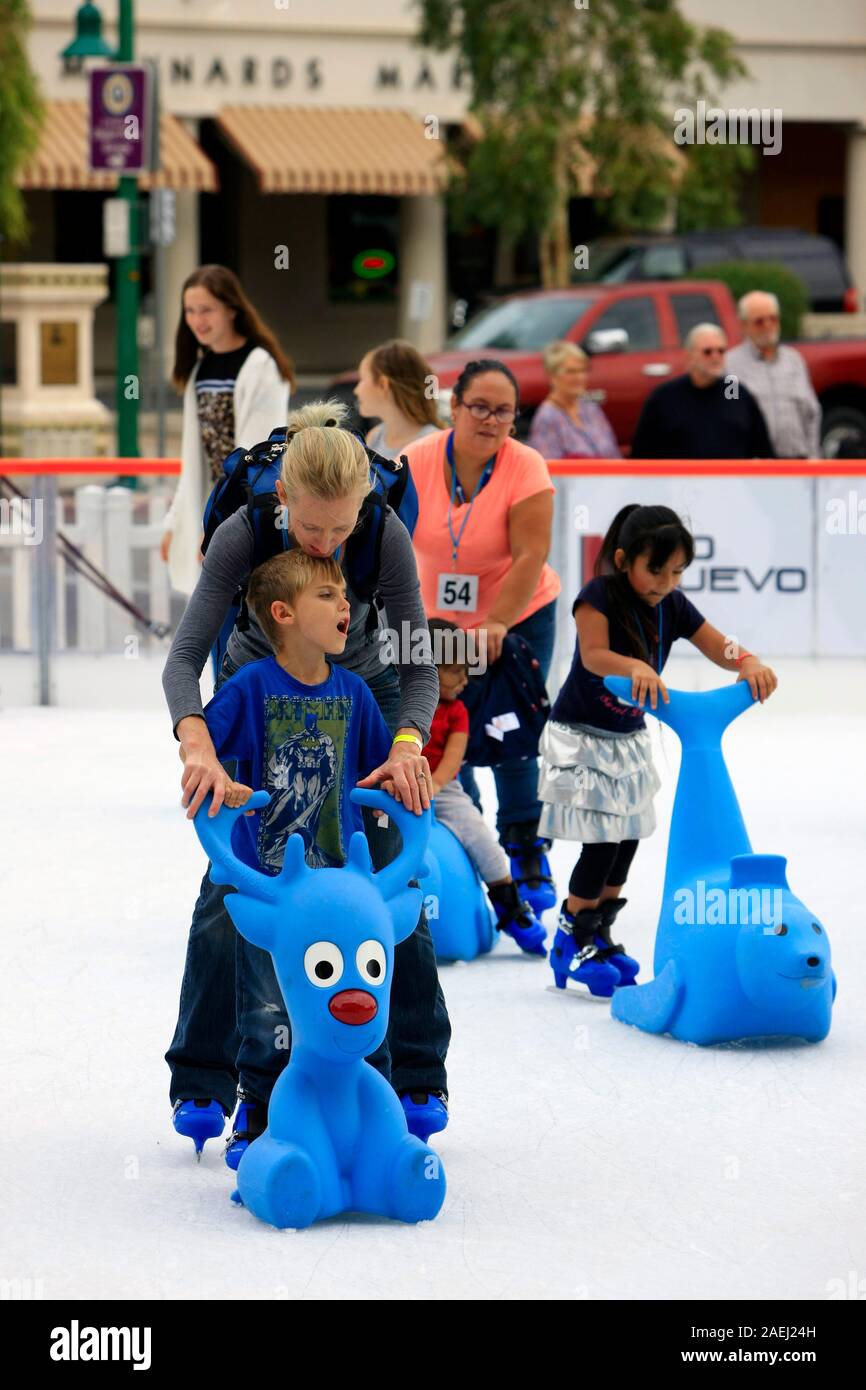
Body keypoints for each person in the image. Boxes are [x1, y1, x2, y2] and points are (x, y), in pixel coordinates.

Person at [162, 401, 450, 1160]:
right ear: (283, 496)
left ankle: (414, 1070)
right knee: (235, 891)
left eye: (341, 529)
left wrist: (409, 743)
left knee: (390, 886)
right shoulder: (244, 532)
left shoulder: (384, 533)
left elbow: (420, 662)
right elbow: (183, 657)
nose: (327, 546)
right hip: (260, 689)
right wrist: (198, 741)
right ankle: (206, 1076)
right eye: (311, 527)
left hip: (361, 697)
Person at [537, 503, 778, 992]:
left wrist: (747, 660)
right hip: (583, 737)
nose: (666, 581)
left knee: (626, 841)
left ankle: (597, 931)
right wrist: (637, 667)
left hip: (626, 737)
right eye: (656, 569)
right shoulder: (597, 596)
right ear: (624, 560)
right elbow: (594, 655)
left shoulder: (672, 604)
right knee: (602, 842)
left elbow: (717, 644)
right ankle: (571, 934)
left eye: (677, 571)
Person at [403, 359, 562, 911]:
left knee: (511, 733)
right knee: (445, 735)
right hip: (437, 625)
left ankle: (525, 849)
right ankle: (467, 852)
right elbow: (388, 542)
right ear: (454, 407)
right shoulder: (415, 462)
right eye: (479, 407)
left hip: (517, 615)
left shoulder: (527, 467)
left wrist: (497, 621)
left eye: (504, 411)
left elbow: (530, 554)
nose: (491, 420)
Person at [161, 264, 294, 673]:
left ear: (232, 309)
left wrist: (220, 526)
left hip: (249, 515)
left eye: (207, 309)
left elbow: (259, 456)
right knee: (215, 632)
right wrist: (175, 523)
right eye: (190, 311)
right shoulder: (201, 370)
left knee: (249, 627)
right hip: (211, 517)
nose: (198, 320)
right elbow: (193, 461)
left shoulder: (260, 366)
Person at [423, 618, 546, 954]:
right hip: (394, 787)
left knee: (482, 841)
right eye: (456, 671)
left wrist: (433, 783)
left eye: (467, 671)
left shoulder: (457, 711)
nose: (465, 680)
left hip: (443, 790)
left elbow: (453, 758)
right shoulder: (400, 701)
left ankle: (510, 906)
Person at [631, 323, 774, 459]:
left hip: (731, 481)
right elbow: (641, 455)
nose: (716, 357)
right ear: (689, 356)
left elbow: (762, 450)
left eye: (721, 351)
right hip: (681, 482)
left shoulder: (735, 391)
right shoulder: (664, 398)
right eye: (707, 352)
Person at [725, 291, 821, 459]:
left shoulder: (794, 361)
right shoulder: (730, 367)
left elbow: (811, 412)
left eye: (773, 318)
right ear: (744, 325)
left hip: (798, 462)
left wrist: (813, 457)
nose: (768, 325)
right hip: (757, 469)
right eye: (759, 321)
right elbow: (730, 414)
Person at [527, 341, 622, 459]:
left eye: (583, 370)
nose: (579, 377)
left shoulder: (590, 407)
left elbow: (614, 454)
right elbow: (548, 468)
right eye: (571, 371)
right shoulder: (547, 417)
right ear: (552, 375)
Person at [354, 338, 443, 459]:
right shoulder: (375, 437)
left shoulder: (434, 443)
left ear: (383, 384)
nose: (356, 390)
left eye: (362, 379)